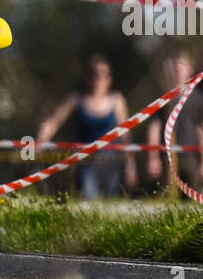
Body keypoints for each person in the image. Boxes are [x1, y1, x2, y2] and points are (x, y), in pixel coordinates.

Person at [37, 55, 137, 198]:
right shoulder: (76, 98)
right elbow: (54, 122)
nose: (99, 78)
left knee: (111, 206)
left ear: (110, 78)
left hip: (111, 163)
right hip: (86, 162)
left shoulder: (117, 100)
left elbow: (126, 135)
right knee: (88, 204)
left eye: (103, 74)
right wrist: (41, 141)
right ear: (87, 77)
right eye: (94, 74)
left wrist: (130, 166)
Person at [145, 50, 203, 192]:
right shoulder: (163, 98)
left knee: (194, 201)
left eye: (182, 65)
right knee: (167, 200)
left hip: (192, 159)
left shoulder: (197, 98)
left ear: (190, 69)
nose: (178, 69)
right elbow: (154, 127)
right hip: (167, 159)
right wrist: (153, 158)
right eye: (175, 65)